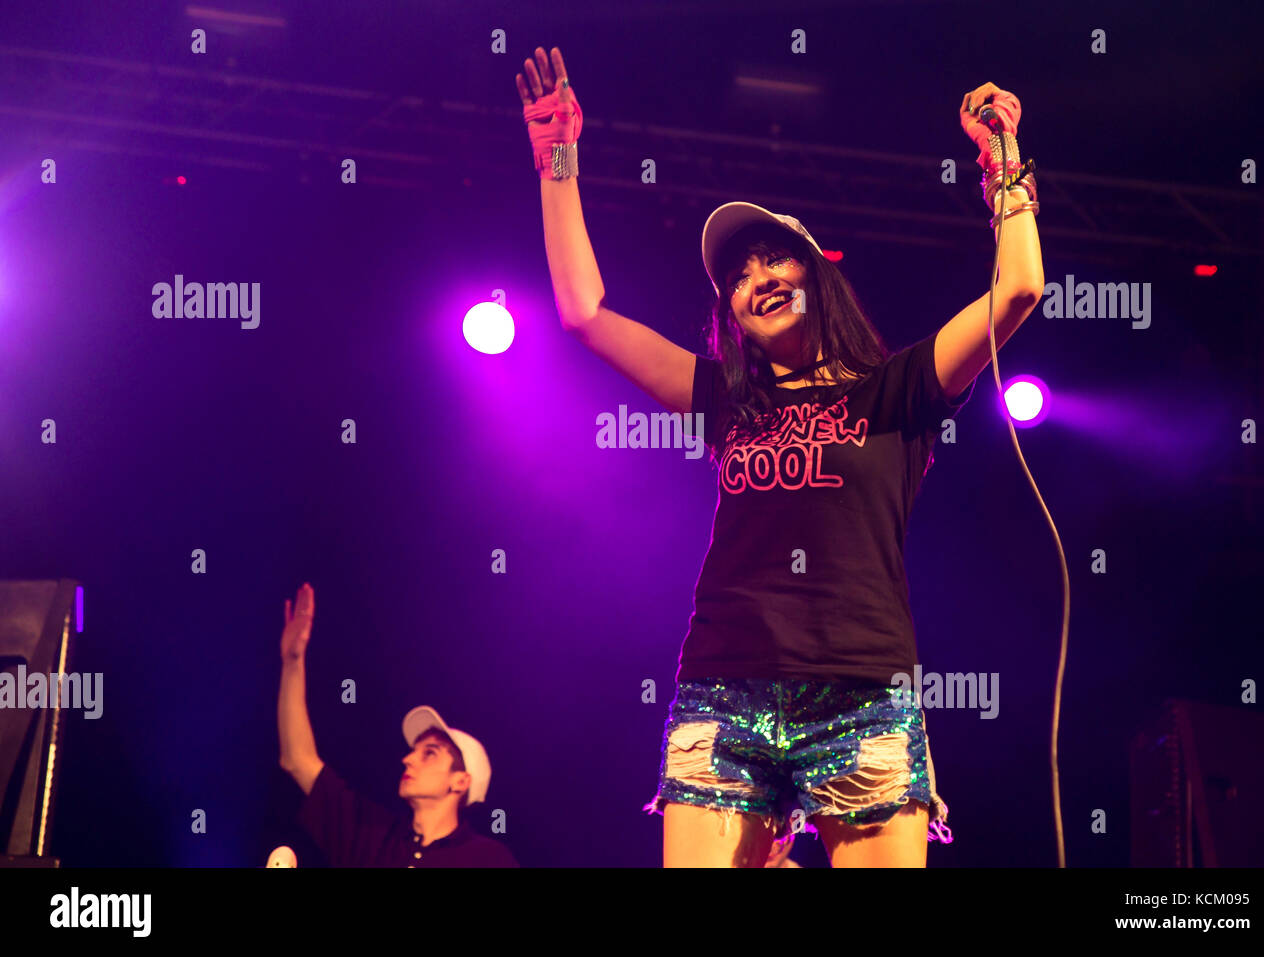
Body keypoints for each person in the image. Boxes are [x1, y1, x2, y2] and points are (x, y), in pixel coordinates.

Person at [518, 46, 1043, 868]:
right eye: (737, 274)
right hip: (724, 688)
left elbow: (1017, 291)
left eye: (774, 258)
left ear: (817, 276)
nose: (754, 278)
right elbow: (584, 313)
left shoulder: (898, 388)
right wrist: (558, 160)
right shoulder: (726, 400)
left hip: (861, 692)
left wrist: (1002, 165)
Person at [277, 583, 518, 867]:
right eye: (414, 750)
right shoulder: (371, 833)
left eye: (429, 753)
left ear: (461, 781)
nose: (407, 759)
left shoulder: (488, 859)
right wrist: (292, 663)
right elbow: (298, 760)